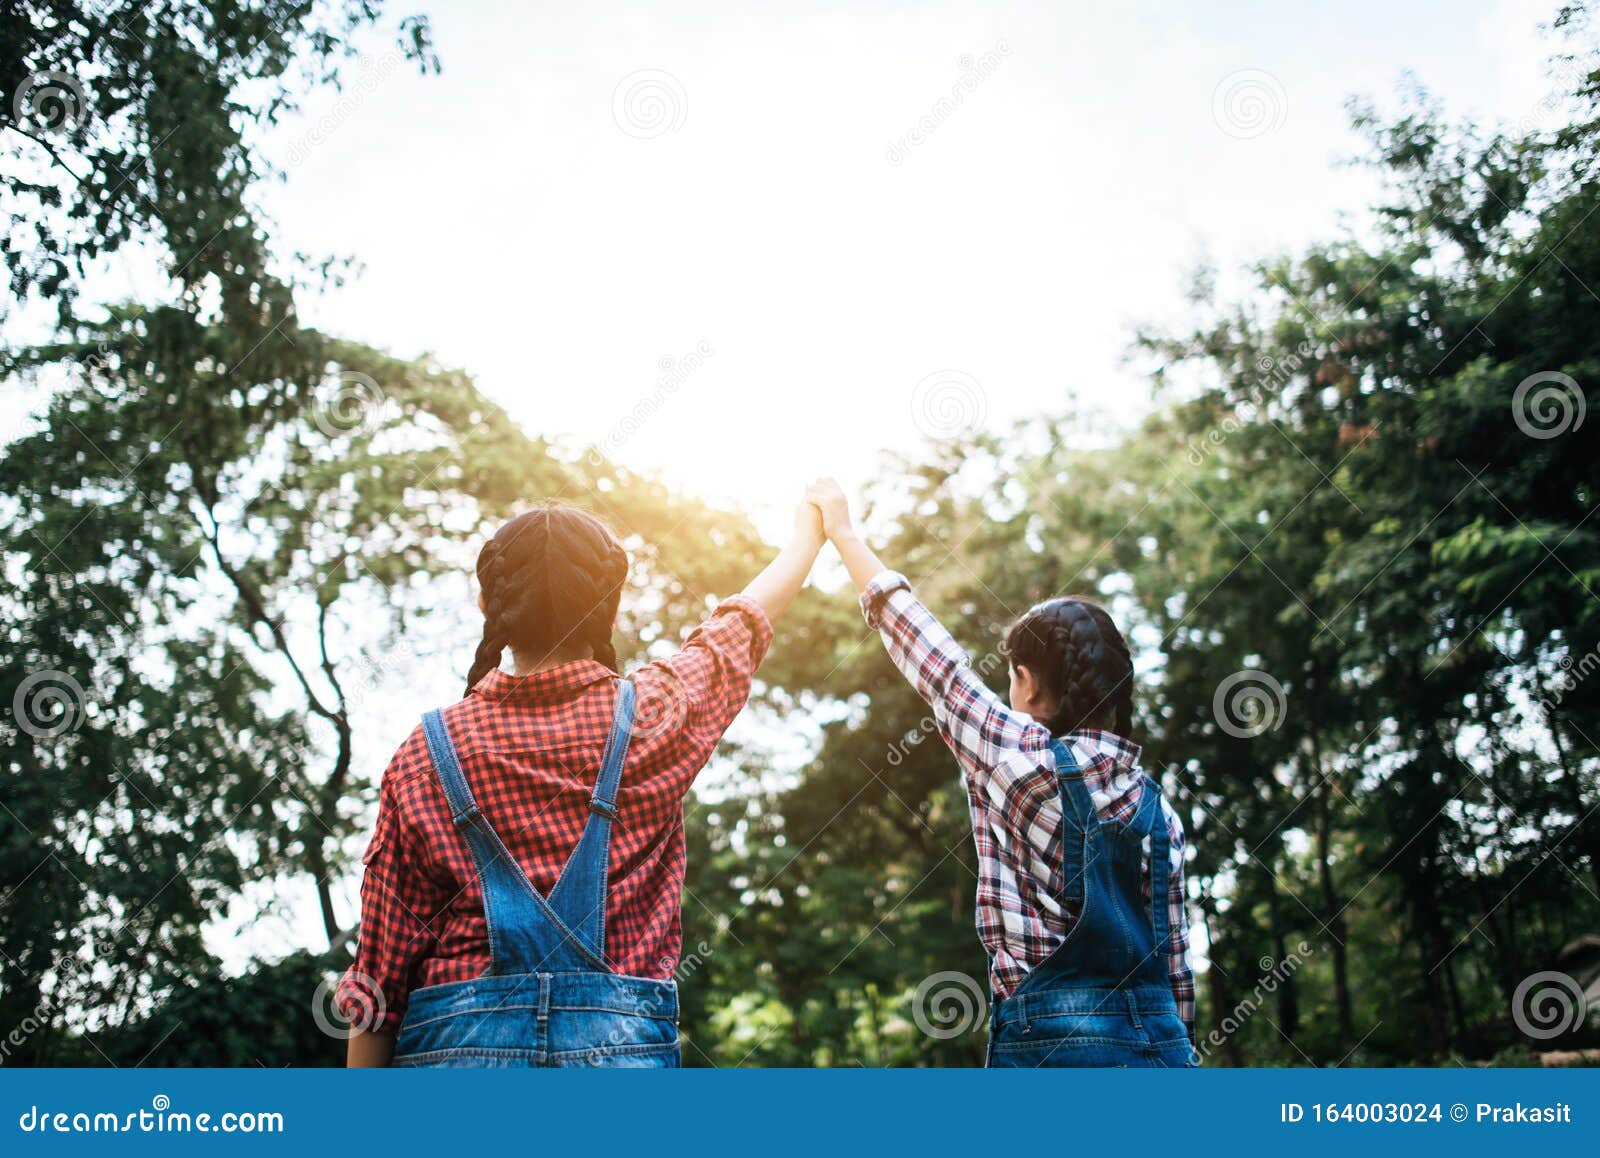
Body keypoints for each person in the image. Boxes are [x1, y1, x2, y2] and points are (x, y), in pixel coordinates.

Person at [339, 496, 825, 1067]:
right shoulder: (654, 718)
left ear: (486, 604)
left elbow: (380, 979)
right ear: (609, 609)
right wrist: (808, 540)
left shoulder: (423, 755)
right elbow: (735, 631)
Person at [806, 477, 1197, 1067]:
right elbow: (1176, 965)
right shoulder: (1159, 812)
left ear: (1029, 683)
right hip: (1159, 1045)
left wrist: (844, 533)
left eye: (1012, 676)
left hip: (1051, 1045)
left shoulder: (1017, 759)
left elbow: (935, 662)